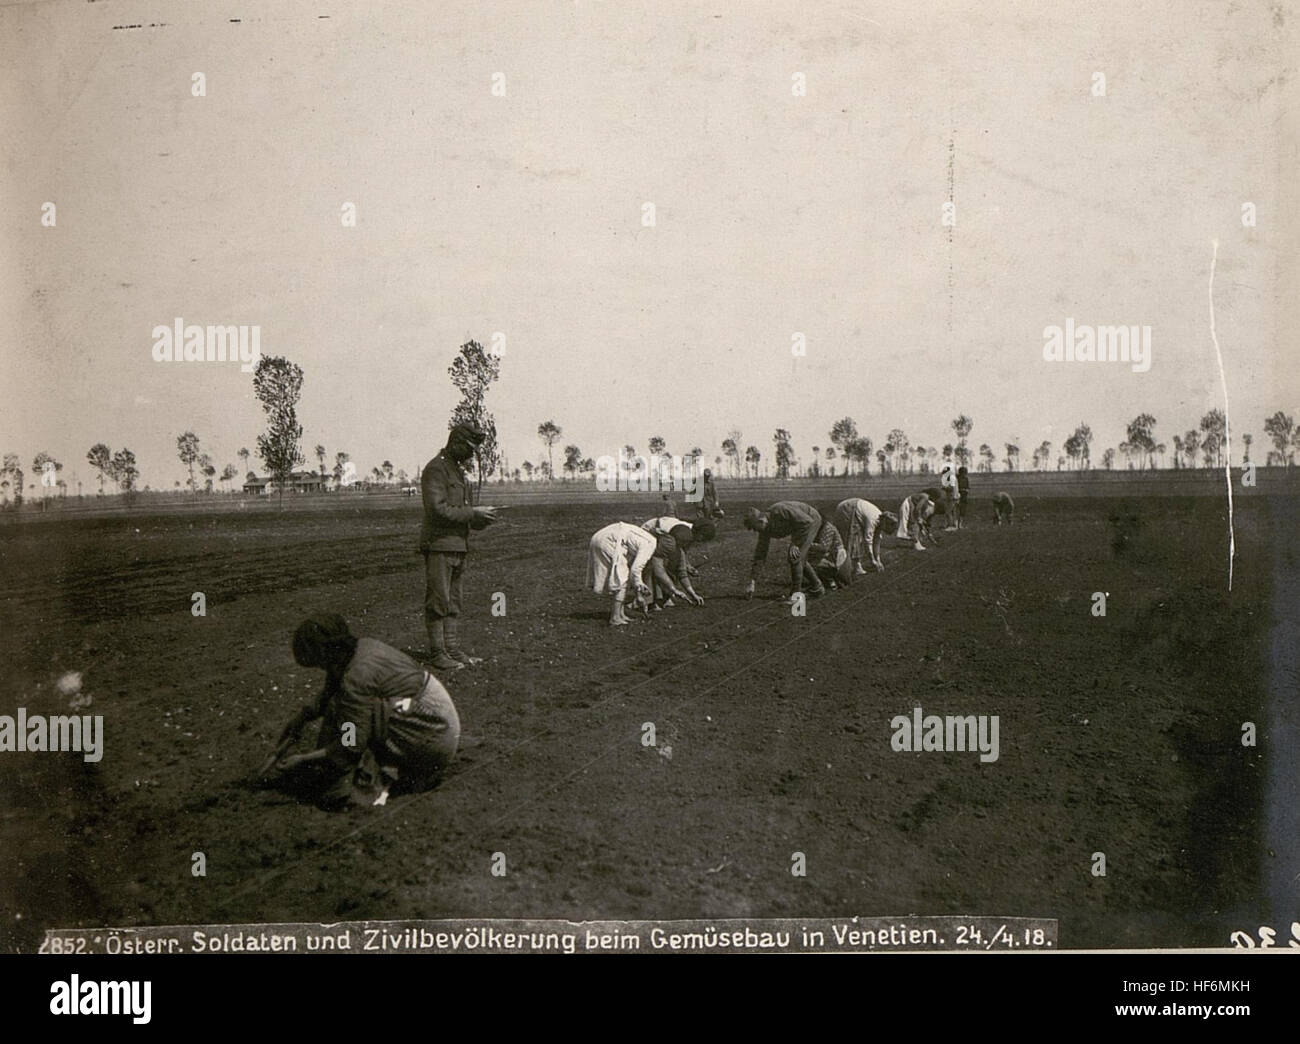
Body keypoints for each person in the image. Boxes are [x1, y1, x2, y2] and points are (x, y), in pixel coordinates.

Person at [259, 615, 460, 810]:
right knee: (341, 705)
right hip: (434, 718)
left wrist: (304, 758)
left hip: (433, 735)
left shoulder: (356, 677)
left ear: (327, 654)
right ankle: (331, 771)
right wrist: (301, 718)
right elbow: (329, 691)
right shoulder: (360, 648)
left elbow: (352, 744)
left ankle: (366, 780)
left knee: (351, 714)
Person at [420, 424, 499, 672]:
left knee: (454, 600)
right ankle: (438, 652)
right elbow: (437, 509)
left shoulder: (456, 471)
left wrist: (480, 519)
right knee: (438, 600)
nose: (470, 455)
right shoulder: (436, 469)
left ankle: (452, 649)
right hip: (440, 546)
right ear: (455, 442)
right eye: (468, 448)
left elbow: (462, 513)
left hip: (458, 545)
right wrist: (472, 513)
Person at [743, 501, 823, 601]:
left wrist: (796, 544)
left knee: (794, 556)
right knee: (798, 556)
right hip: (799, 526)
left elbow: (807, 521)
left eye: (754, 528)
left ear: (761, 520)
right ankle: (817, 588)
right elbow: (760, 554)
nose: (755, 531)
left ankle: (795, 596)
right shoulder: (764, 529)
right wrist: (752, 581)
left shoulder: (780, 510)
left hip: (811, 519)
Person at [587, 521, 657, 625]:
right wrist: (640, 587)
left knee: (622, 572)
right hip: (608, 540)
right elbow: (635, 570)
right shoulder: (650, 545)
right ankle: (615, 617)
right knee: (621, 576)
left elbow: (633, 570)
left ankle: (621, 614)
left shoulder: (645, 539)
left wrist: (639, 594)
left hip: (600, 536)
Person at [830, 498, 890, 575]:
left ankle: (854, 565)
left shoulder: (880, 519)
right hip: (848, 509)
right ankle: (855, 567)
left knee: (856, 538)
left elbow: (877, 540)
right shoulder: (872, 520)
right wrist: (872, 560)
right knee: (853, 538)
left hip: (855, 508)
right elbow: (868, 541)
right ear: (885, 522)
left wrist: (878, 560)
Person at [805, 518, 852, 590]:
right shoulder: (820, 529)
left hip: (837, 558)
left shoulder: (828, 528)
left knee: (810, 563)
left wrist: (808, 544)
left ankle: (831, 580)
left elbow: (824, 548)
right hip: (831, 556)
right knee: (809, 560)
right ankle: (828, 580)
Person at [939, 462, 959, 531]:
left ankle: (951, 526)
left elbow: (951, 488)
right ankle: (954, 525)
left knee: (948, 512)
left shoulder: (951, 478)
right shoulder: (953, 477)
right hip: (954, 497)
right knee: (953, 512)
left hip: (951, 497)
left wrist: (944, 488)